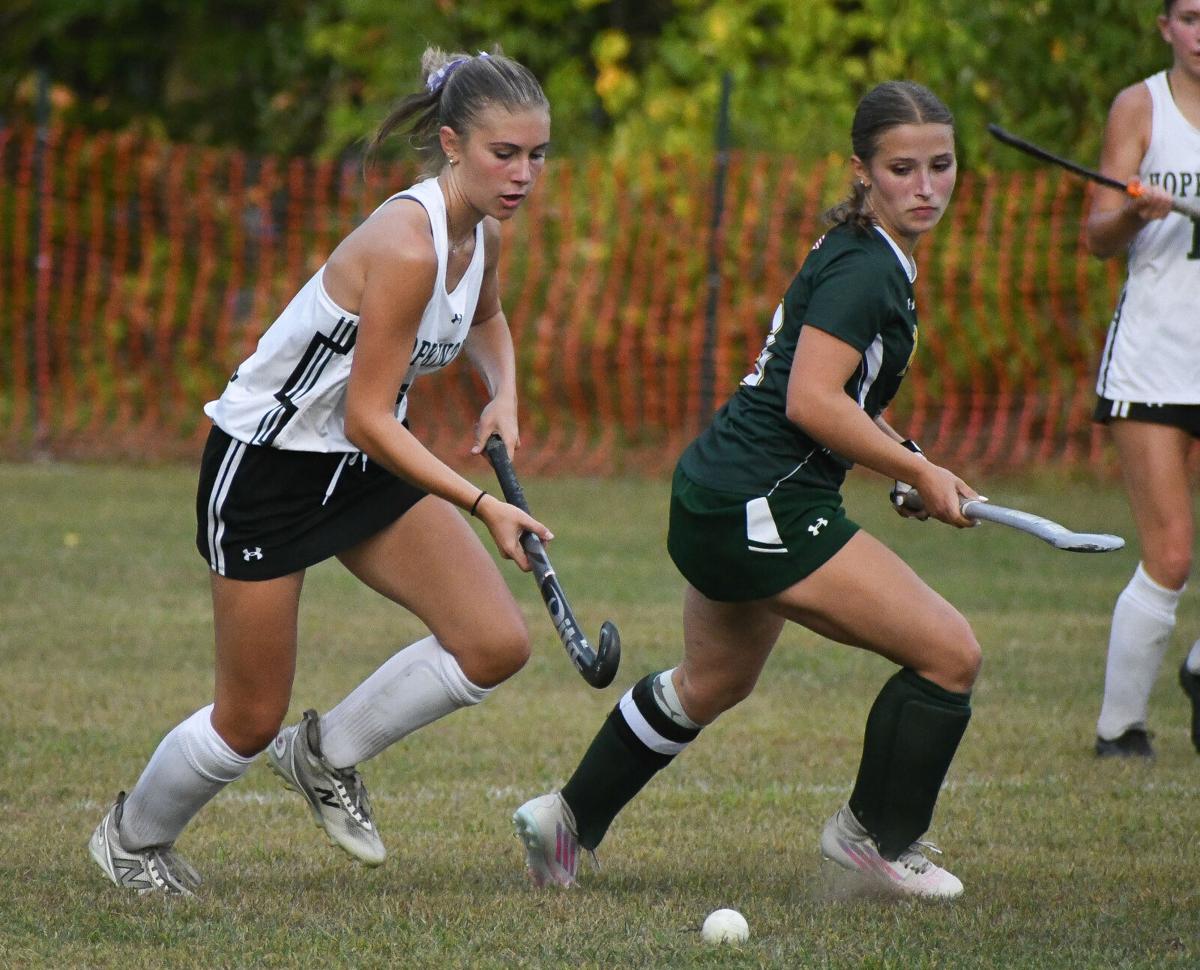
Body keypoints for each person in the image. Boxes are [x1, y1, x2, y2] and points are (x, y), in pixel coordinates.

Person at [88, 47, 554, 896]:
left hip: (360, 465)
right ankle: (130, 841)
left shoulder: (485, 229)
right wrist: (484, 503)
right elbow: (369, 417)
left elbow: (487, 318)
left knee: (493, 645)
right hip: (269, 471)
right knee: (246, 717)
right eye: (504, 154)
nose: (523, 175)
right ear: (451, 144)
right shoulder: (406, 246)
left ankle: (323, 755)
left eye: (537, 155)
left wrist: (505, 396)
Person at [512, 81, 982, 900]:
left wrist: (907, 458)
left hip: (719, 491)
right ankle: (873, 838)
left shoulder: (862, 251)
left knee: (714, 680)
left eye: (940, 166)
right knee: (950, 655)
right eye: (902, 168)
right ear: (862, 171)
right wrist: (914, 469)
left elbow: (830, 399)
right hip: (763, 505)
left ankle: (565, 820)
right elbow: (810, 401)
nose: (925, 186)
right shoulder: (868, 269)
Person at [1087, 0, 1200, 760]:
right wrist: (1135, 211)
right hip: (1156, 357)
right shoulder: (1141, 106)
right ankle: (1119, 729)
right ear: (1165, 26)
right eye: (1191, 16)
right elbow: (1096, 234)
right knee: (1170, 555)